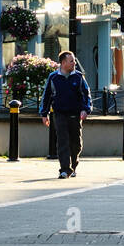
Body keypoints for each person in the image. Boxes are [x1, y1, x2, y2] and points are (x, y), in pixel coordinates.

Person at [39, 51, 91, 179]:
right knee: (63, 141)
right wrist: (44, 114)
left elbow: (86, 94)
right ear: (63, 63)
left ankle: (73, 165)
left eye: (74, 60)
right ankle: (64, 169)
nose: (74, 63)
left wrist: (85, 109)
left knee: (76, 143)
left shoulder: (78, 77)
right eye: (71, 61)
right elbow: (47, 96)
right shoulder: (53, 77)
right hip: (60, 114)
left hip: (75, 114)